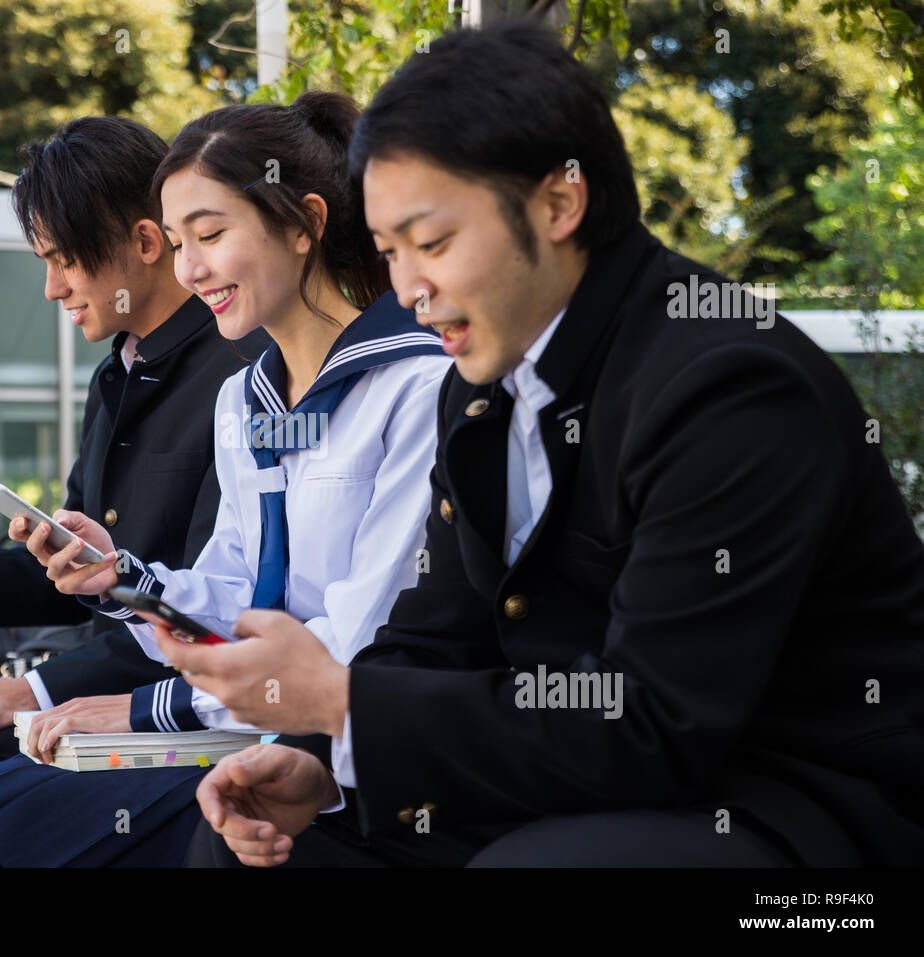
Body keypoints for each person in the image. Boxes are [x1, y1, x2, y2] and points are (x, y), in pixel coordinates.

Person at [162, 21, 924, 867]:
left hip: (790, 813)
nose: (409, 290)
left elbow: (656, 724)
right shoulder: (482, 384)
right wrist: (322, 759)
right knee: (249, 845)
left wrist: (349, 705)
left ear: (560, 203)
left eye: (434, 243)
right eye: (387, 252)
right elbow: (436, 634)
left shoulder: (728, 382)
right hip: (572, 781)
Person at [0, 90, 452, 867]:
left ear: (305, 225)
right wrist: (116, 576)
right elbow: (228, 586)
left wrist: (147, 708)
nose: (192, 268)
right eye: (181, 240)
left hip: (338, 752)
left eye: (211, 234)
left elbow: (357, 636)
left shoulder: (413, 385)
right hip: (242, 721)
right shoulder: (245, 397)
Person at [0, 116, 265, 867]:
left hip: (179, 690)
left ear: (145, 241)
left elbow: (207, 606)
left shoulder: (240, 374)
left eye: (64, 260)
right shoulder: (114, 379)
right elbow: (73, 577)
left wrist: (32, 690)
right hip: (102, 669)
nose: (51, 287)